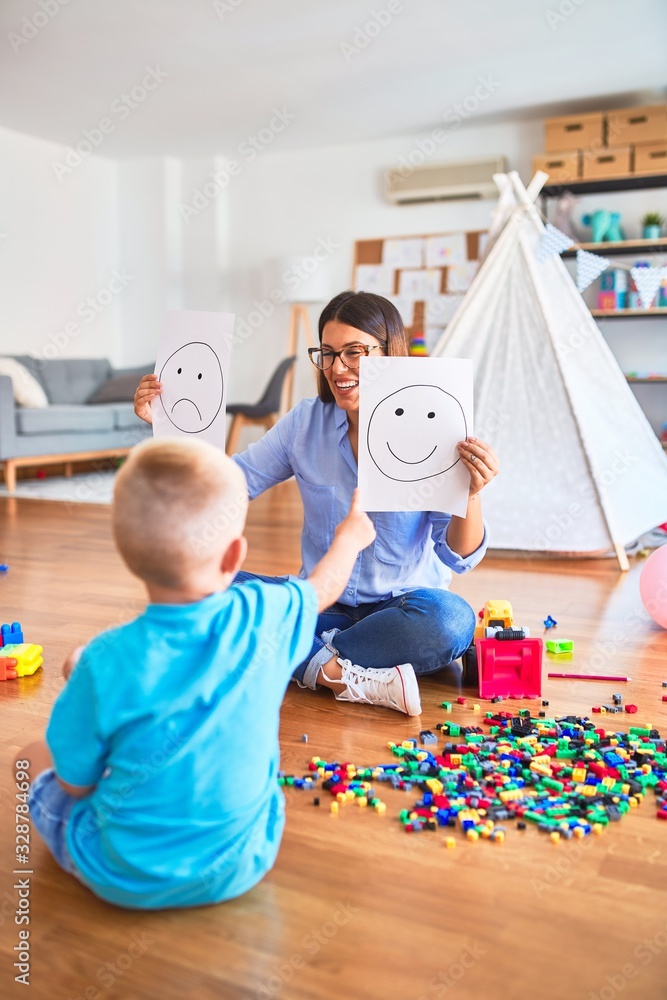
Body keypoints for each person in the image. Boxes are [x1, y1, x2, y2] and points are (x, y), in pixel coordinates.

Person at [19, 437, 376, 909]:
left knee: (31, 756)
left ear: (127, 554)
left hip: (122, 875)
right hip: (243, 861)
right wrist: (349, 537)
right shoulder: (265, 613)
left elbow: (76, 786)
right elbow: (324, 586)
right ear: (233, 557)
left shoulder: (106, 659)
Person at [134, 291, 499, 717]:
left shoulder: (433, 427)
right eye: (327, 353)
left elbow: (457, 557)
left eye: (354, 352)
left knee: (452, 621)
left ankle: (291, 653)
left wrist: (470, 494)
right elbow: (230, 485)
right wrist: (168, 430)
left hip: (404, 610)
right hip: (319, 603)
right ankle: (337, 671)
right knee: (198, 584)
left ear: (390, 353)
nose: (337, 368)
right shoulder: (305, 422)